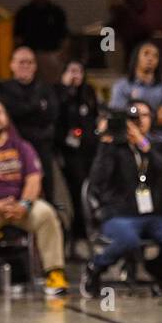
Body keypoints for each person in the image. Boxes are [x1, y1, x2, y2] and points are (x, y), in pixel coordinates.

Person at [0, 98, 68, 297]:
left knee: (46, 213)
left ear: (6, 119)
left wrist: (24, 204)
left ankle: (54, 272)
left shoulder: (24, 147)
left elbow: (34, 180)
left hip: (20, 207)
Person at [80, 101, 162, 298]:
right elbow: (97, 180)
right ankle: (95, 267)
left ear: (152, 119)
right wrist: (106, 142)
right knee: (129, 240)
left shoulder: (158, 147)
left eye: (143, 116)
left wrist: (143, 144)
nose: (138, 122)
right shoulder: (113, 148)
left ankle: (157, 270)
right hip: (118, 216)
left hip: (150, 216)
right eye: (133, 118)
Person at [0, 47, 59, 205]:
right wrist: (35, 106)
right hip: (13, 149)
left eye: (30, 62)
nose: (26, 66)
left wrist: (24, 109)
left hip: (42, 147)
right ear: (12, 65)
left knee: (46, 189)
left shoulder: (46, 88)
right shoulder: (2, 88)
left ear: (35, 66)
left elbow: (51, 115)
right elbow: (11, 113)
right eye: (22, 62)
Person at [55, 60, 98, 251]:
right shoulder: (58, 94)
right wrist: (67, 90)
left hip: (88, 153)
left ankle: (85, 234)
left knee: (86, 193)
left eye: (79, 71)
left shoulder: (88, 94)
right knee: (71, 195)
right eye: (71, 71)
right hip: (66, 154)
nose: (75, 76)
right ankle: (71, 236)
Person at [110, 41, 162, 152]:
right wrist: (157, 113)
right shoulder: (122, 86)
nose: (150, 58)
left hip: (158, 144)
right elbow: (117, 116)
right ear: (136, 58)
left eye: (155, 55)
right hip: (129, 144)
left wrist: (137, 115)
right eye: (146, 54)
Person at [13, 0, 69, 86]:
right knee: (28, 82)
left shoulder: (56, 12)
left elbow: (65, 36)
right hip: (30, 53)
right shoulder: (24, 12)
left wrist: (62, 53)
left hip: (50, 54)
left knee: (52, 83)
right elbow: (17, 36)